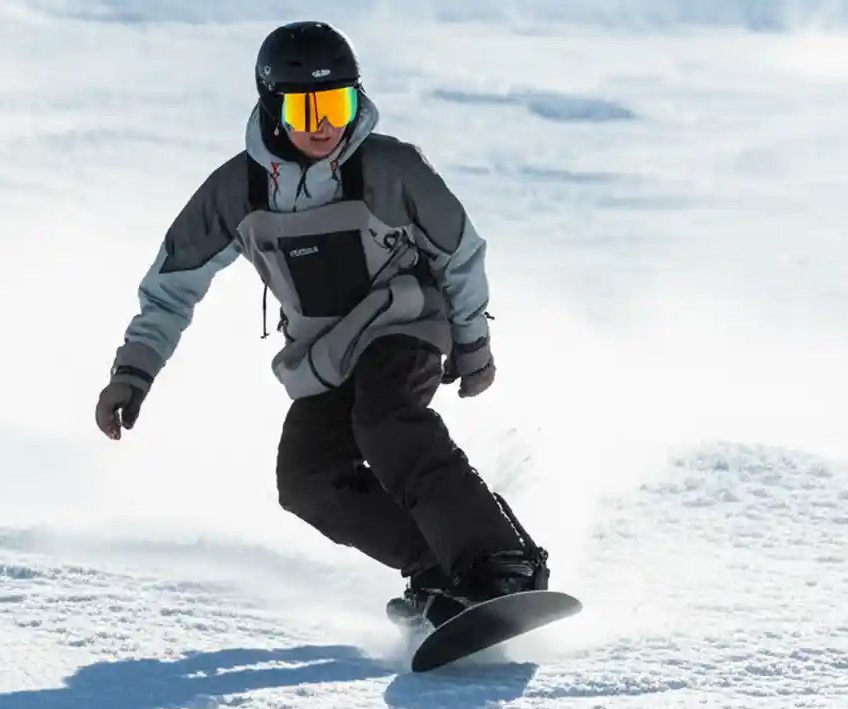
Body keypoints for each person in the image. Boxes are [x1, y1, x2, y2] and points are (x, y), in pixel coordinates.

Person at [95, 21, 549, 625]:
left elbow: (458, 252)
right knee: (306, 479)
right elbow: (172, 286)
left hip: (406, 320)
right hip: (326, 354)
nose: (322, 124)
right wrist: (134, 373)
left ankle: (499, 560)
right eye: (304, 107)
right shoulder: (238, 191)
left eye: (336, 103)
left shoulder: (391, 169)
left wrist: (473, 344)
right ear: (271, 107)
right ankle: (436, 564)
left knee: (386, 420)